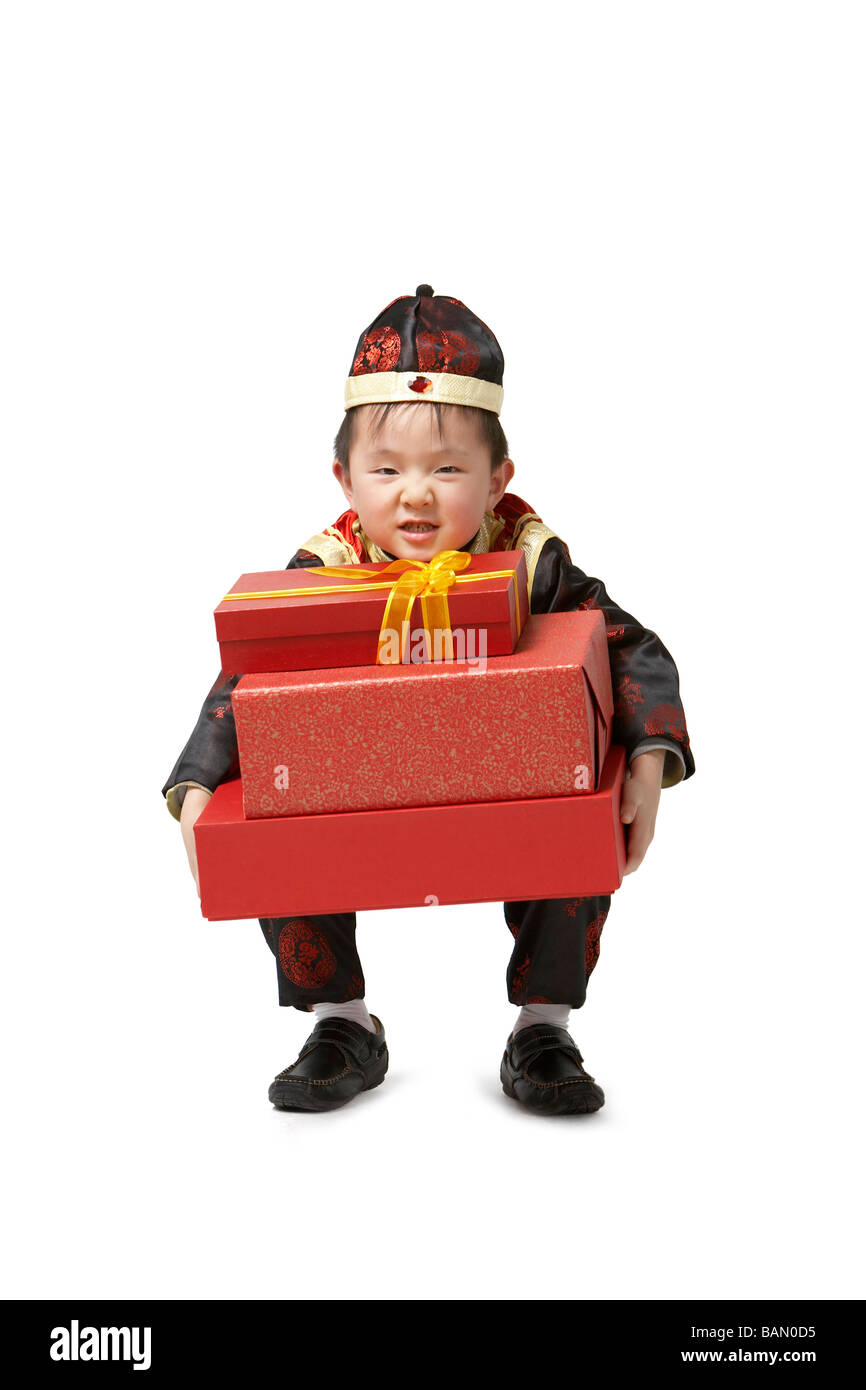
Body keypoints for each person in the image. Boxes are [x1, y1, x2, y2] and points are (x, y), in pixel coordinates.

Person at [162, 285, 695, 1117]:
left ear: (496, 480)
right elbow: (242, 686)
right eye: (387, 470)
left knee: (584, 796)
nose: (415, 494)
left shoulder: (530, 558)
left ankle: (542, 1027)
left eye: (448, 469)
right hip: (360, 780)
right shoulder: (323, 571)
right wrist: (195, 783)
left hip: (502, 772)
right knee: (274, 803)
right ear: (345, 478)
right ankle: (341, 1022)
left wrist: (653, 753)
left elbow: (629, 647)